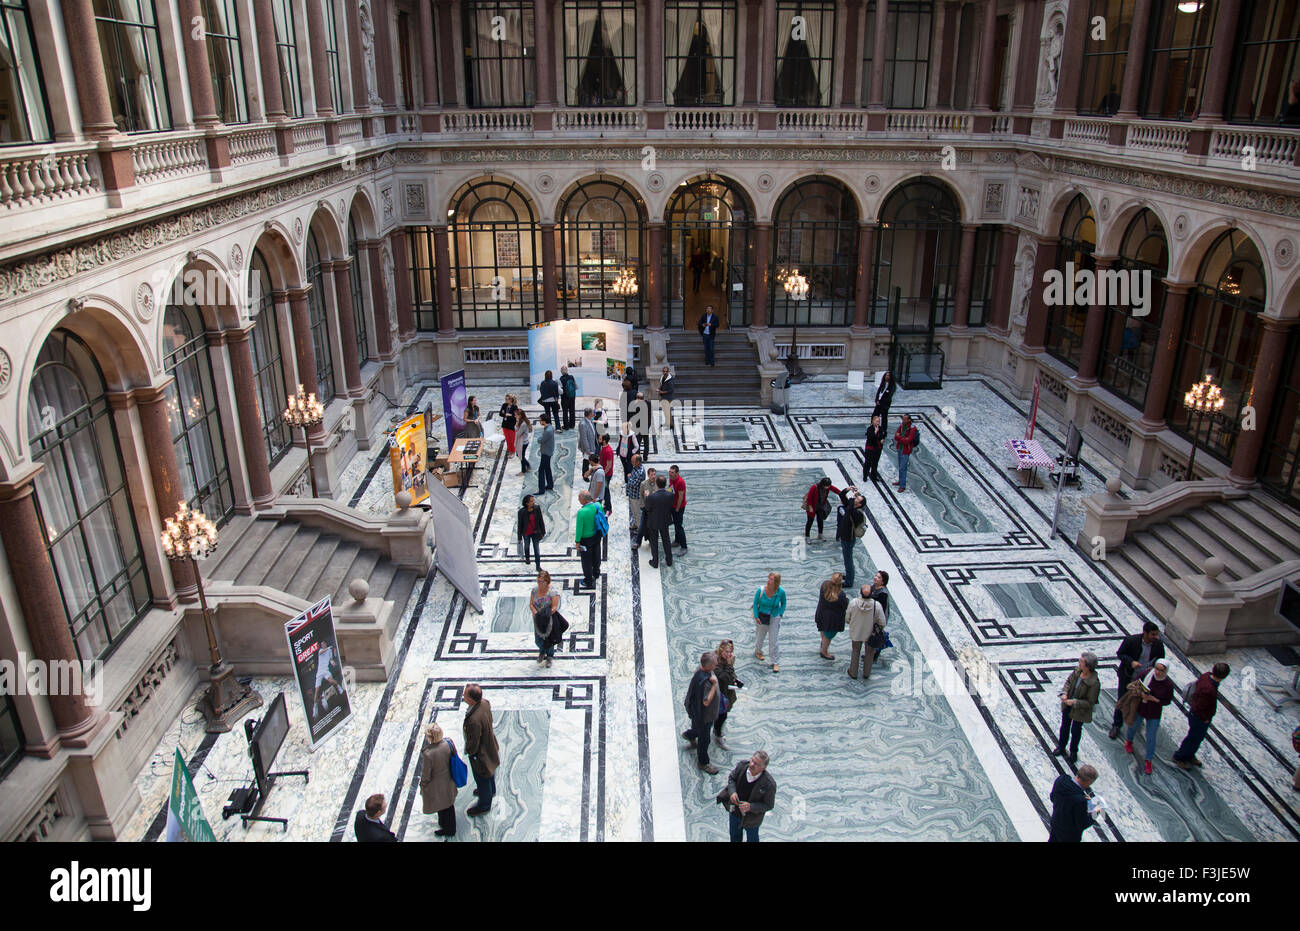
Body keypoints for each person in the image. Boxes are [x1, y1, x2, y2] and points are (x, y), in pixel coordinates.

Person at [1108, 621, 1165, 739]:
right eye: (1153, 635)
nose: (1155, 637)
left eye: (1156, 634)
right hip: (1128, 676)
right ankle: (1117, 725)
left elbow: (1161, 659)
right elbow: (1120, 654)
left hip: (1145, 679)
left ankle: (1135, 721)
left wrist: (1154, 666)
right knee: (1122, 699)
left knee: (1140, 700)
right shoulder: (1131, 641)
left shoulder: (1158, 645)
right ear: (1145, 633)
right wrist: (1131, 662)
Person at [1173, 662, 1230, 770]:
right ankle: (1179, 757)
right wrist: (1205, 719)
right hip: (1199, 718)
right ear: (1224, 676)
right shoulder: (1209, 690)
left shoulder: (1206, 676)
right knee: (1193, 738)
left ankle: (1189, 755)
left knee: (1197, 738)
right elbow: (1199, 707)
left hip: (1197, 715)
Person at [1125, 658, 1174, 775]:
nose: (1157, 672)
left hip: (1154, 711)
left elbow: (1167, 701)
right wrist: (1141, 694)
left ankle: (1148, 759)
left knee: (1151, 735)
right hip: (1141, 707)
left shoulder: (1167, 684)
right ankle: (1129, 741)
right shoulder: (1146, 674)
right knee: (1133, 725)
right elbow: (1134, 685)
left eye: (1161, 670)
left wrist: (1155, 699)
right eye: (1157, 669)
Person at [717, 750, 776, 843]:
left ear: (763, 768)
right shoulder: (742, 766)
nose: (752, 764)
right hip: (734, 811)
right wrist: (732, 792)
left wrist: (751, 807)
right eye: (752, 760)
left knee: (752, 839)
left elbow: (769, 805)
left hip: (752, 819)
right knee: (734, 836)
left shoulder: (768, 784)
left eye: (756, 764)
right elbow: (732, 778)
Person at [1053, 652, 1100, 764]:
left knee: (1076, 730)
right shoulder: (1077, 672)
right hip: (1068, 705)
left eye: (1082, 661)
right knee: (1065, 726)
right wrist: (1064, 693)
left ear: (1088, 666)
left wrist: (1074, 702)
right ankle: (1061, 746)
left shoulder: (1094, 683)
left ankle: (1073, 751)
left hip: (1080, 710)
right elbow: (1068, 682)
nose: (1079, 663)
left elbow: (1090, 702)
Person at [462, 683, 500, 815]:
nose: (463, 696)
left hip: (481, 753)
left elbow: (474, 741)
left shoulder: (473, 720)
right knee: (490, 770)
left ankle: (484, 804)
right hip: (490, 745)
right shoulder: (484, 703)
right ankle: (491, 790)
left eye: (465, 694)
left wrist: (471, 752)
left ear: (471, 699)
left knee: (482, 776)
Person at [683, 651, 721, 774]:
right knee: (704, 739)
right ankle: (703, 762)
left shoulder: (700, 670)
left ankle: (689, 735)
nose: (717, 665)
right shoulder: (706, 681)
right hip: (704, 715)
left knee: (697, 727)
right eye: (715, 664)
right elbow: (706, 701)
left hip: (696, 712)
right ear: (708, 666)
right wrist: (714, 685)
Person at [419, 723, 458, 837]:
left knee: (442, 805)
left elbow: (426, 774)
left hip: (437, 785)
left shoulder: (428, 753)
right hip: (449, 779)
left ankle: (449, 828)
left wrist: (423, 785)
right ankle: (448, 825)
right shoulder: (448, 743)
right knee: (449, 804)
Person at [1048, 765, 1099, 843]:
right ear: (1088, 781)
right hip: (1069, 835)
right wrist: (1096, 812)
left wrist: (1081, 795)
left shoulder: (1062, 779)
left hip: (1056, 822)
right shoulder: (1080, 801)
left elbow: (1052, 797)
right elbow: (1083, 824)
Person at [846, 586, 886, 679]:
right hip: (871, 634)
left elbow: (847, 618)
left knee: (855, 651)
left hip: (856, 632)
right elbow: (882, 622)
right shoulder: (877, 605)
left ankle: (853, 672)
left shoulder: (853, 603)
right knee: (870, 654)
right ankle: (866, 673)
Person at [753, 571, 788, 672]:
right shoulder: (761, 590)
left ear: (776, 582)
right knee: (760, 636)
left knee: (773, 640)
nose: (768, 581)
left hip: (774, 617)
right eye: (768, 578)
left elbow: (784, 603)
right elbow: (755, 604)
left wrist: (780, 613)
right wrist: (756, 616)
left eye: (771, 579)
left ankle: (775, 661)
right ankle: (758, 651)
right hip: (762, 616)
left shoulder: (781, 592)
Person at [834, 487, 866, 591]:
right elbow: (842, 495)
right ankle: (848, 576)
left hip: (848, 538)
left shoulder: (857, 513)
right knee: (846, 560)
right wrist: (848, 489)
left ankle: (849, 581)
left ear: (860, 504)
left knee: (848, 561)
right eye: (856, 497)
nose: (855, 498)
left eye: (858, 499)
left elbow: (849, 511)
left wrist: (853, 497)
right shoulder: (851, 507)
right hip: (845, 536)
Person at [713, 639, 742, 750]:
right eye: (726, 652)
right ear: (721, 651)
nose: (729, 655)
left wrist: (735, 679)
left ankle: (717, 730)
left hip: (727, 693)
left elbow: (730, 675)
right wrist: (730, 666)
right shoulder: (716, 662)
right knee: (721, 715)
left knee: (722, 715)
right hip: (719, 695)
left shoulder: (727, 661)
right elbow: (723, 677)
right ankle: (717, 733)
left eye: (730, 652)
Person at [530, 570, 563, 667]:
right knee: (538, 639)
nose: (540, 583)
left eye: (542, 581)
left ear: (547, 581)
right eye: (538, 581)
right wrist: (536, 613)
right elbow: (531, 604)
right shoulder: (534, 590)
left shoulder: (553, 592)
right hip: (537, 619)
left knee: (548, 639)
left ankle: (549, 656)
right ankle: (542, 651)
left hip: (548, 620)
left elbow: (554, 607)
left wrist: (544, 615)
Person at [644, 474, 676, 568]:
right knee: (666, 540)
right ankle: (669, 560)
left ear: (657, 484)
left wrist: (647, 497)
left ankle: (655, 562)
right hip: (665, 520)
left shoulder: (651, 497)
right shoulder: (670, 495)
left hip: (653, 521)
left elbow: (647, 508)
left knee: (654, 542)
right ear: (665, 484)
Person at [815, 572, 848, 660]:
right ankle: (824, 651)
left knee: (822, 629)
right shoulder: (840, 595)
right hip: (832, 620)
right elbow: (845, 605)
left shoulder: (824, 585)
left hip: (821, 613)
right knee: (828, 636)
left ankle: (823, 644)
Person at [575, 490, 603, 589]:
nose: (578, 500)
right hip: (597, 535)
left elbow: (579, 528)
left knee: (586, 561)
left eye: (579, 498)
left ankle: (588, 580)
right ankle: (596, 573)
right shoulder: (598, 506)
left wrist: (577, 541)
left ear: (584, 500)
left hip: (586, 539)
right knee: (596, 554)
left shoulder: (581, 512)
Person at [516, 494, 545, 572]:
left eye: (533, 501)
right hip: (526, 533)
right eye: (531, 501)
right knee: (527, 546)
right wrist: (519, 537)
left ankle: (538, 566)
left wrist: (543, 532)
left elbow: (540, 520)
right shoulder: (521, 512)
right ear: (527, 503)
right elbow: (520, 525)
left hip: (535, 532)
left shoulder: (537, 508)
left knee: (536, 549)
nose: (533, 502)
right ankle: (527, 558)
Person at [893, 415, 918, 492]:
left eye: (905, 419)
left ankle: (902, 485)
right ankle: (900, 481)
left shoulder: (913, 429)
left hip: (906, 450)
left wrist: (900, 437)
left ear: (909, 420)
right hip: (900, 448)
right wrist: (902, 438)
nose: (903, 421)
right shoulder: (901, 426)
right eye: (903, 419)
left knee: (903, 467)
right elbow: (895, 436)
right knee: (900, 466)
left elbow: (908, 440)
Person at [634, 466, 658, 549]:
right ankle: (638, 542)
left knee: (653, 526)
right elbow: (641, 495)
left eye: (654, 474)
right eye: (652, 475)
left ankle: (652, 541)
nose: (653, 476)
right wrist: (643, 506)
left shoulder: (658, 483)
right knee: (642, 526)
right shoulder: (643, 484)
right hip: (646, 508)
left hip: (655, 509)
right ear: (648, 475)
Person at [535, 414, 556, 493]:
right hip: (547, 451)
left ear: (544, 421)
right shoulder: (549, 428)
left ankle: (541, 489)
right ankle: (550, 485)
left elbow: (541, 440)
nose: (539, 421)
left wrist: (539, 438)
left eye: (540, 420)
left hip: (546, 452)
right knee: (547, 468)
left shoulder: (548, 430)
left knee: (541, 470)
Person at [669, 464, 687, 552]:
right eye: (669, 472)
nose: (670, 474)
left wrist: (677, 508)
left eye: (672, 472)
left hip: (679, 507)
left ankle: (684, 546)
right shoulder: (671, 479)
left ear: (677, 473)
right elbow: (671, 489)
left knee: (679, 526)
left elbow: (681, 496)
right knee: (676, 525)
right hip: (673, 505)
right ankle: (677, 540)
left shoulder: (680, 482)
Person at [863, 414, 887, 482]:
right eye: (876, 421)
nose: (878, 423)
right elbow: (870, 438)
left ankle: (874, 476)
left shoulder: (880, 428)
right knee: (868, 463)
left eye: (878, 421)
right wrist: (875, 432)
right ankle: (865, 476)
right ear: (873, 421)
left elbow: (883, 435)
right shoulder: (870, 429)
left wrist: (882, 439)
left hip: (877, 449)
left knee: (875, 463)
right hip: (870, 449)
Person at [626, 452, 645, 531]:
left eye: (633, 461)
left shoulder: (640, 472)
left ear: (638, 462)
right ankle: (635, 524)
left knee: (637, 513)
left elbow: (634, 484)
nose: (631, 463)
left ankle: (639, 529)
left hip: (636, 496)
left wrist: (629, 477)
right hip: (632, 494)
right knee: (633, 511)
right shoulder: (636, 467)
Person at [630, 391, 652, 459]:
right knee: (646, 442)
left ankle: (638, 456)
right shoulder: (648, 403)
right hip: (646, 425)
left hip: (638, 427)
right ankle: (645, 456)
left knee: (638, 442)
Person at [499, 394, 518, 459]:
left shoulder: (514, 407)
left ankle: (513, 451)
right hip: (505, 424)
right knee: (507, 439)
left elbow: (515, 416)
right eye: (505, 399)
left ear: (511, 400)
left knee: (512, 439)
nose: (506, 400)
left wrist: (509, 415)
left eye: (507, 399)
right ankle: (509, 450)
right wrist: (505, 414)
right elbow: (500, 414)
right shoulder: (504, 405)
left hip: (511, 425)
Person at [559, 365, 577, 430]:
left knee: (565, 412)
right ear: (567, 370)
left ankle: (566, 426)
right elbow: (576, 387)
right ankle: (572, 425)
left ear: (561, 371)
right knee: (572, 411)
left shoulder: (561, 379)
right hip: (572, 397)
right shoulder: (571, 377)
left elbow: (560, 391)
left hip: (564, 398)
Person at [515, 407, 532, 473]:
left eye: (516, 415)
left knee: (521, 457)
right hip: (521, 441)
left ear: (520, 415)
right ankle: (527, 466)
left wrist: (516, 427)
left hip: (523, 442)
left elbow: (518, 433)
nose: (515, 416)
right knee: (520, 455)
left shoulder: (523, 424)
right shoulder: (520, 421)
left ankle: (524, 470)